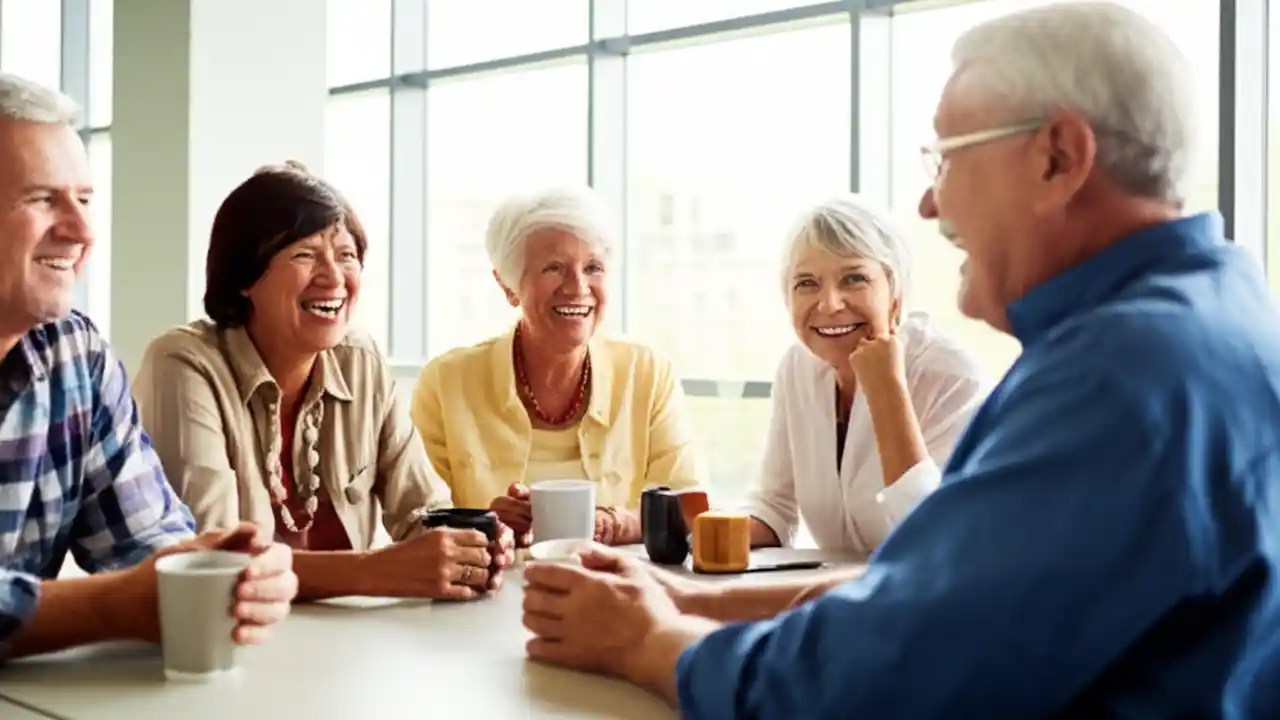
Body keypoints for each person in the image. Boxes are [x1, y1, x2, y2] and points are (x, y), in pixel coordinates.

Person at [519, 4, 1280, 717]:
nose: (928, 204)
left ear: (1058, 157)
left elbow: (877, 681)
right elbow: (939, 589)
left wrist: (647, 642)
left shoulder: (1119, 374)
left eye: (946, 158)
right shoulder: (1206, 315)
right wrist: (687, 598)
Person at [0, 73, 296, 660]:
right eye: (42, 199)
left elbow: (145, 542)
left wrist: (217, 573)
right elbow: (129, 596)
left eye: (85, 200)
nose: (82, 231)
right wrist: (111, 605)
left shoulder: (75, 357)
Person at [133, 163, 512, 601]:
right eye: (305, 255)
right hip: (231, 633)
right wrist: (374, 571)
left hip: (349, 637)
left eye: (346, 255)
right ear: (243, 276)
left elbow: (422, 511)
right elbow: (208, 561)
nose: (334, 277)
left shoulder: (360, 361)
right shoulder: (183, 365)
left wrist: (468, 546)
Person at [411, 186, 706, 547]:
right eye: (554, 268)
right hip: (492, 580)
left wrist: (614, 523)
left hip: (619, 578)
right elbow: (418, 520)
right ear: (508, 285)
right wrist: (485, 525)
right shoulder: (446, 382)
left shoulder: (648, 373)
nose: (578, 287)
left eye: (593, 268)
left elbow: (689, 507)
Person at [745, 193, 986, 551]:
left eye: (854, 278)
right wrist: (688, 537)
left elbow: (934, 537)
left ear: (894, 295)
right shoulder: (798, 367)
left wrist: (887, 387)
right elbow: (773, 508)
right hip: (839, 584)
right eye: (806, 283)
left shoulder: (951, 376)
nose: (829, 304)